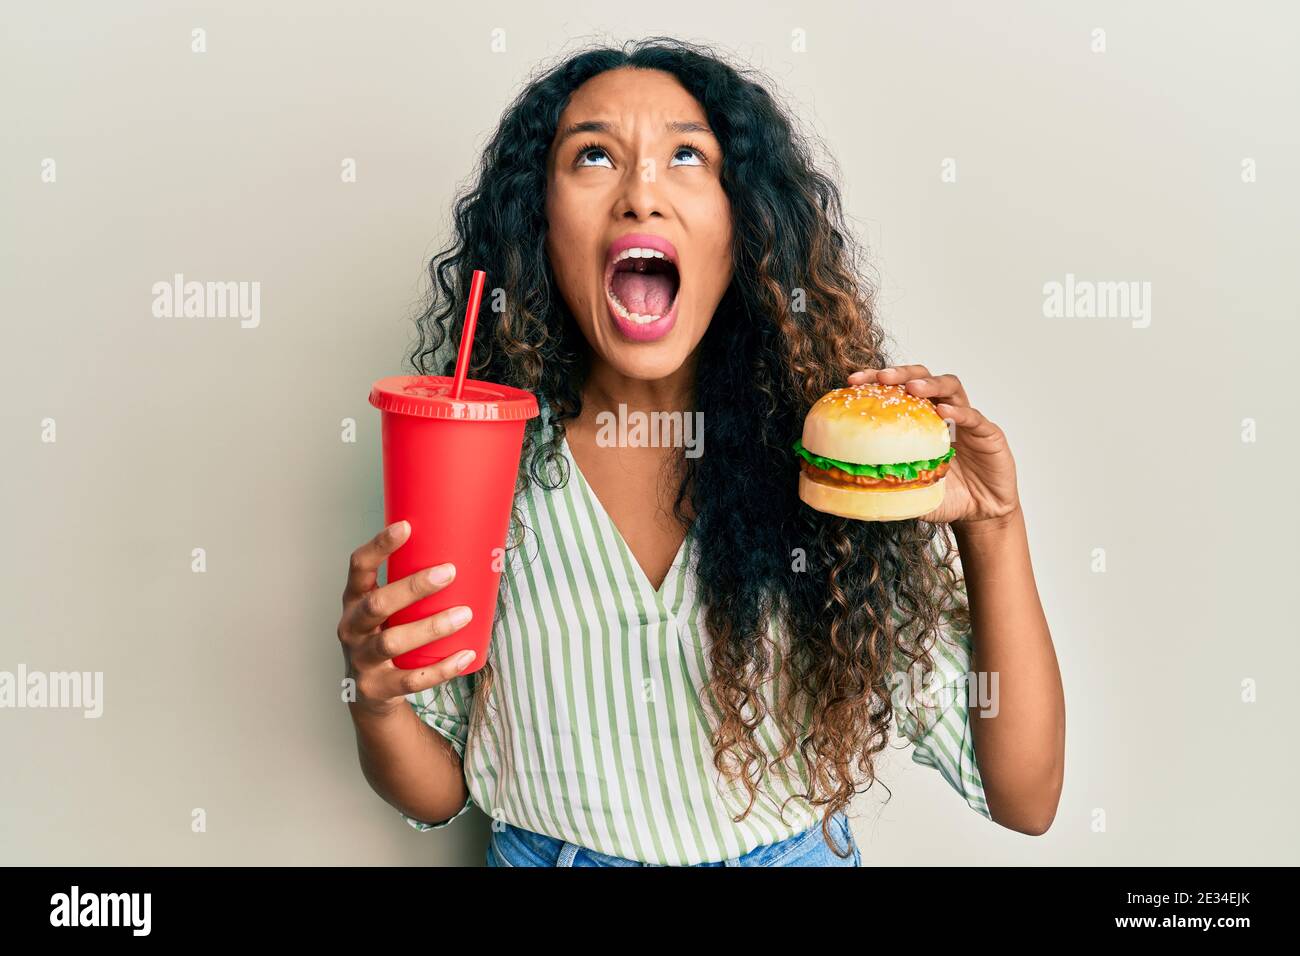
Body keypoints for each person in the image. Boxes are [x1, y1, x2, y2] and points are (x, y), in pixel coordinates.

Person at [338, 38, 1065, 867]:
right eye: (594, 157)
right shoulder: (481, 463)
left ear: (743, 223)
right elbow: (437, 793)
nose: (640, 193)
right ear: (538, 222)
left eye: (686, 154)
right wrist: (375, 697)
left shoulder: (829, 469)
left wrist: (995, 525)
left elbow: (1026, 796)